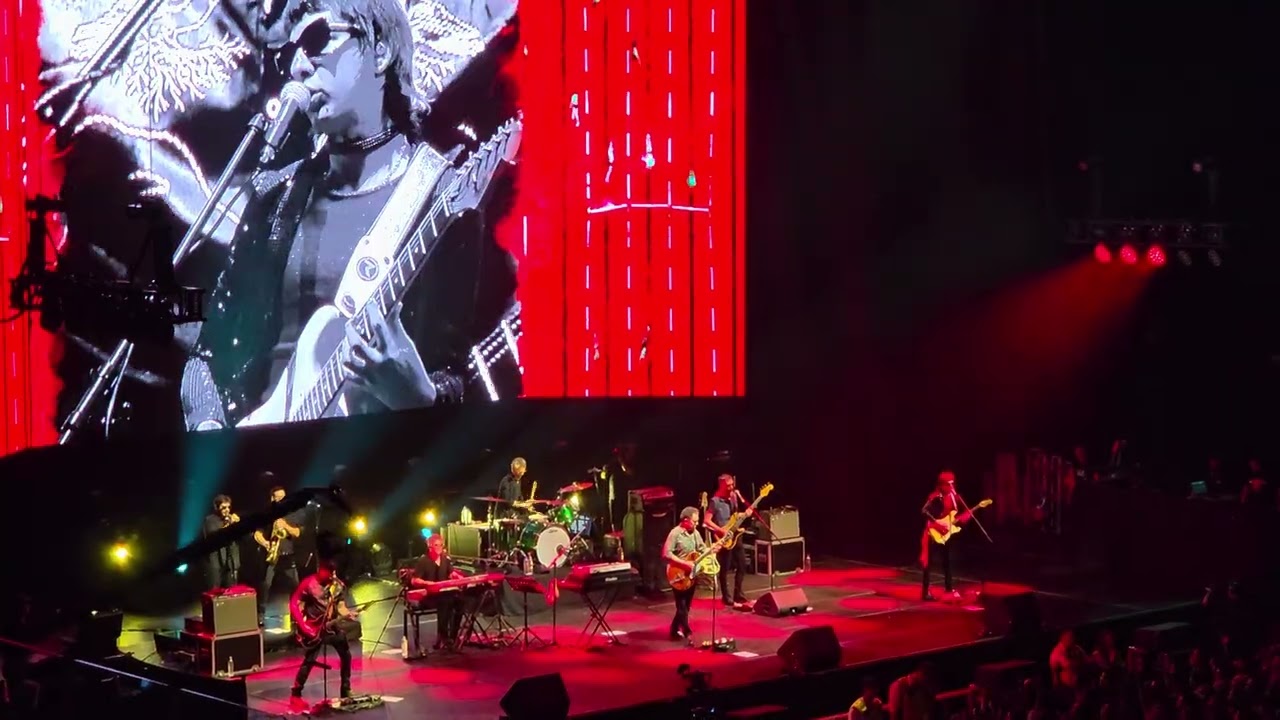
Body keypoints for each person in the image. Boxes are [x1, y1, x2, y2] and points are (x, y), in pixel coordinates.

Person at [179, 0, 520, 431]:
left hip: (371, 470)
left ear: (380, 50)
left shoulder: (439, 196)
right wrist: (207, 426)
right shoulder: (275, 196)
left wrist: (418, 397)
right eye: (289, 54)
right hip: (261, 467)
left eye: (318, 39)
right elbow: (209, 356)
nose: (299, 66)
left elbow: (450, 374)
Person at [289, 558, 358, 704]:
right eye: (327, 572)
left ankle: (345, 688)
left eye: (332, 573)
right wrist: (303, 626)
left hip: (331, 627)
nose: (331, 576)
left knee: (346, 654)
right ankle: (296, 692)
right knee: (309, 660)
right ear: (321, 570)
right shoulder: (309, 584)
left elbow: (340, 607)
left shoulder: (337, 586)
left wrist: (348, 614)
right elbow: (294, 604)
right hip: (313, 629)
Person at [253, 483, 305, 618]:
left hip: (288, 555)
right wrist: (265, 543)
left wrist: (285, 525)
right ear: (272, 499)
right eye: (279, 497)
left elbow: (298, 533)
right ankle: (260, 615)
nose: (282, 500)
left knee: (295, 586)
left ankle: (295, 614)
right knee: (265, 585)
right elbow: (257, 533)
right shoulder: (266, 513)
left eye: (284, 497)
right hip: (271, 555)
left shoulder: (292, 512)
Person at [408, 534, 466, 648]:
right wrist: (427, 583)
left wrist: (459, 578)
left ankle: (453, 635)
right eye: (436, 545)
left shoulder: (445, 559)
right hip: (429, 596)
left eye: (440, 545)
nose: (439, 547)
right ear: (429, 547)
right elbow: (414, 580)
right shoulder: (423, 561)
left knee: (460, 601)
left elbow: (451, 573)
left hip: (444, 593)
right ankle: (443, 635)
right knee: (445, 601)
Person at [702, 474, 750, 608]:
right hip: (723, 538)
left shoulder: (734, 497)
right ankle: (726, 596)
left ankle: (738, 594)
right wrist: (720, 530)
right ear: (721, 485)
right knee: (725, 568)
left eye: (732, 485)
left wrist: (745, 514)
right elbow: (706, 521)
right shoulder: (715, 501)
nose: (731, 488)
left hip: (735, 535)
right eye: (728, 486)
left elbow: (735, 516)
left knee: (742, 564)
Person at [662, 506, 708, 643]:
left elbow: (702, 548)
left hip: (691, 575)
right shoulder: (675, 533)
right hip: (677, 574)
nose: (697, 524)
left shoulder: (695, 533)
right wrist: (684, 563)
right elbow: (666, 553)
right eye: (695, 521)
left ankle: (674, 629)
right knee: (681, 605)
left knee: (686, 606)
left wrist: (712, 549)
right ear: (686, 520)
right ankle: (687, 631)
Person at [920, 470, 962, 602]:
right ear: (942, 485)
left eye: (952, 484)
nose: (951, 486)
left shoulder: (953, 497)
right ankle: (925, 592)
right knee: (928, 563)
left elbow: (953, 515)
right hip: (932, 532)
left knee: (947, 561)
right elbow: (924, 510)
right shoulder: (935, 496)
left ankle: (949, 588)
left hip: (945, 533)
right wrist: (936, 522)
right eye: (949, 484)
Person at [201, 494, 242, 589]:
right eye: (223, 507)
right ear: (217, 507)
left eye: (228, 507)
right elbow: (214, 536)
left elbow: (242, 538)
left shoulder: (232, 519)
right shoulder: (210, 520)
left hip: (230, 560)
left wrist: (239, 525)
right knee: (215, 590)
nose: (227, 510)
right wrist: (229, 525)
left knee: (231, 589)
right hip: (216, 561)